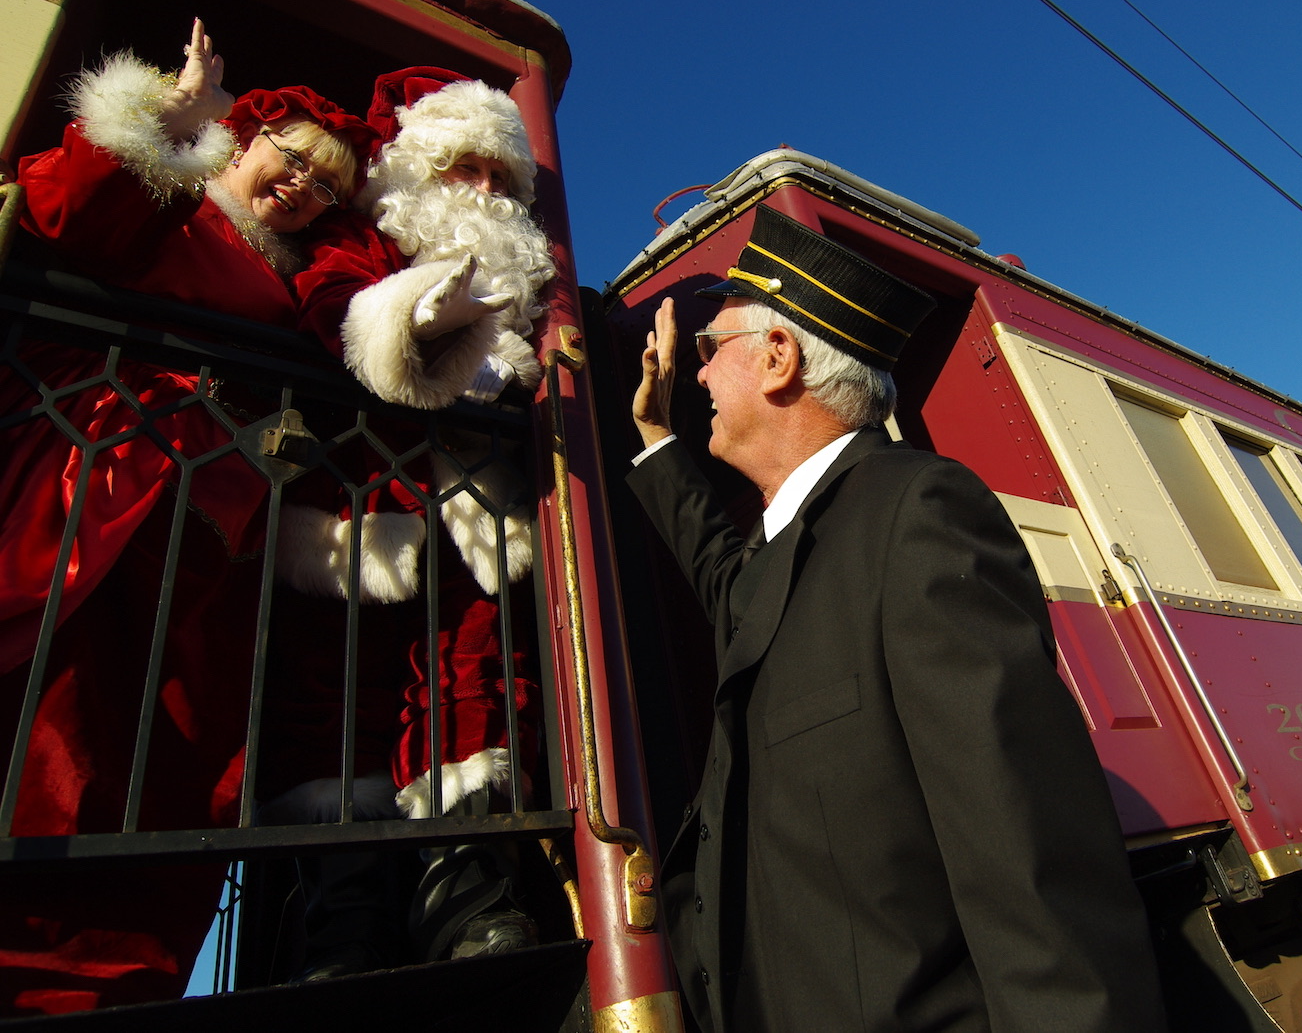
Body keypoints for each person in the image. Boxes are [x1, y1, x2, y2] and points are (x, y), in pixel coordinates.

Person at [627, 205, 1167, 1032]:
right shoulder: (783, 557)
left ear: (778, 359)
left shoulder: (917, 511)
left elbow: (1029, 856)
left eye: (709, 349)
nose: (696, 373)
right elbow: (721, 579)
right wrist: (656, 436)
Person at [0, 21, 376, 1014]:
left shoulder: (298, 272)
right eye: (293, 163)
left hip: (210, 525)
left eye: (326, 186)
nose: (302, 190)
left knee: (162, 751)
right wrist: (169, 114)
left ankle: (107, 975)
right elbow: (63, 213)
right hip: (105, 485)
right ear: (245, 142)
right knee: (60, 728)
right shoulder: (175, 202)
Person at [266, 66, 556, 974]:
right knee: (337, 698)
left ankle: (466, 895)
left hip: (468, 512)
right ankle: (345, 916)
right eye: (467, 169)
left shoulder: (529, 286)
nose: (484, 191)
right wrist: (428, 320)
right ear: (423, 167)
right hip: (360, 507)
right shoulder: (364, 236)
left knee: (473, 683)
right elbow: (335, 310)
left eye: (500, 178)